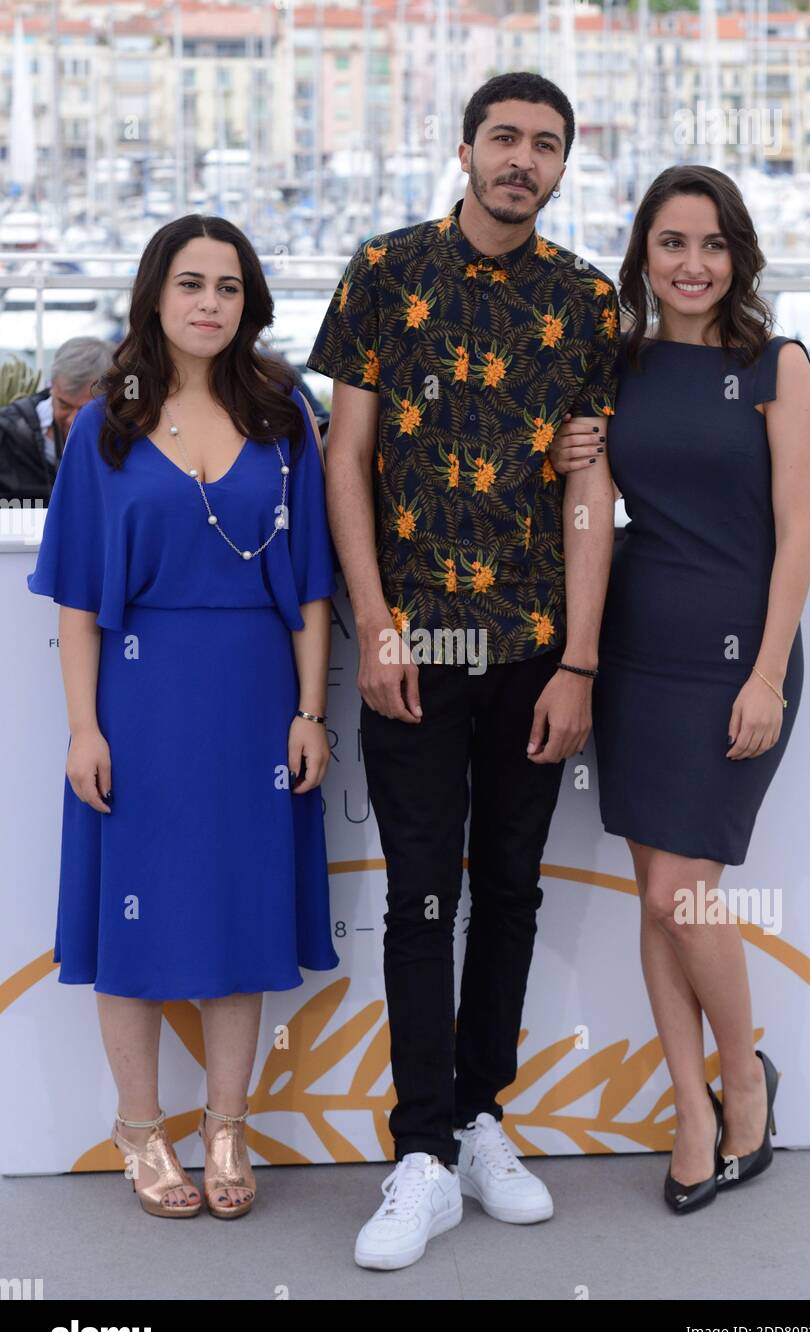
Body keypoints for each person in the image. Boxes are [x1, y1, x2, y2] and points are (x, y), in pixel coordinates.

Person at [306, 71, 619, 1269]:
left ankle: (484, 1118)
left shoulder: (586, 299)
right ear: (464, 147)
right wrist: (374, 624)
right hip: (417, 647)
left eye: (544, 146)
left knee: (514, 890)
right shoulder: (385, 273)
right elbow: (349, 463)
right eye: (504, 138)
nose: (521, 160)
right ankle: (420, 1153)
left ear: (558, 166)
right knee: (419, 895)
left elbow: (587, 487)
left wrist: (579, 661)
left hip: (534, 647)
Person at [27, 215, 339, 1220]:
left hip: (253, 700)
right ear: (155, 295)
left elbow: (312, 587)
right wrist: (83, 726)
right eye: (191, 282)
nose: (209, 302)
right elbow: (76, 596)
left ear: (248, 303)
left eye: (229, 286)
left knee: (237, 916)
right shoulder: (110, 414)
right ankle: (139, 1126)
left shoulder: (282, 408)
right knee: (138, 923)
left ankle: (226, 1124)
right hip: (139, 695)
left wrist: (308, 710)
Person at [550, 165, 810, 1214]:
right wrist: (575, 450)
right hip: (633, 655)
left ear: (735, 254)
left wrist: (762, 673)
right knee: (654, 901)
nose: (692, 264)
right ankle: (689, 1108)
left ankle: (743, 1078)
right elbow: (594, 505)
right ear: (644, 256)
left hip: (732, 659)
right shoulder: (616, 365)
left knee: (682, 892)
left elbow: (795, 535)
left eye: (710, 245)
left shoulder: (774, 365)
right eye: (671, 244)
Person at [0, 337, 114, 503]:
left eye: (86, 410)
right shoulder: (7, 434)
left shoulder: (126, 437)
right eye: (64, 405)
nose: (73, 419)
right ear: (52, 386)